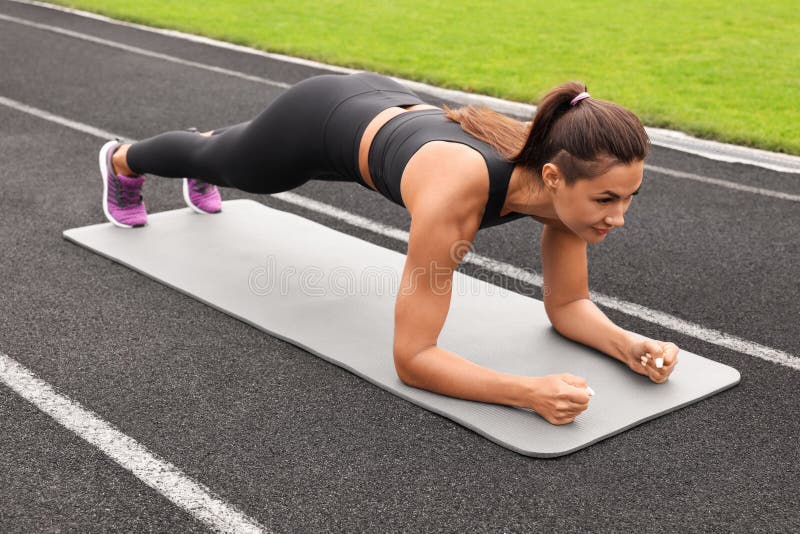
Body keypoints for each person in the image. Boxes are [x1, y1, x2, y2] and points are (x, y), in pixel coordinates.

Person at [99, 71, 679, 425]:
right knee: (228, 163)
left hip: (380, 105)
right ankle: (124, 159)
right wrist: (526, 393)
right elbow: (413, 358)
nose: (619, 217)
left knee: (231, 155)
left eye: (629, 197)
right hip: (320, 120)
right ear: (554, 177)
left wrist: (630, 346)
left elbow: (568, 306)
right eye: (606, 199)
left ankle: (218, 151)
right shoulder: (459, 196)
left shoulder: (563, 196)